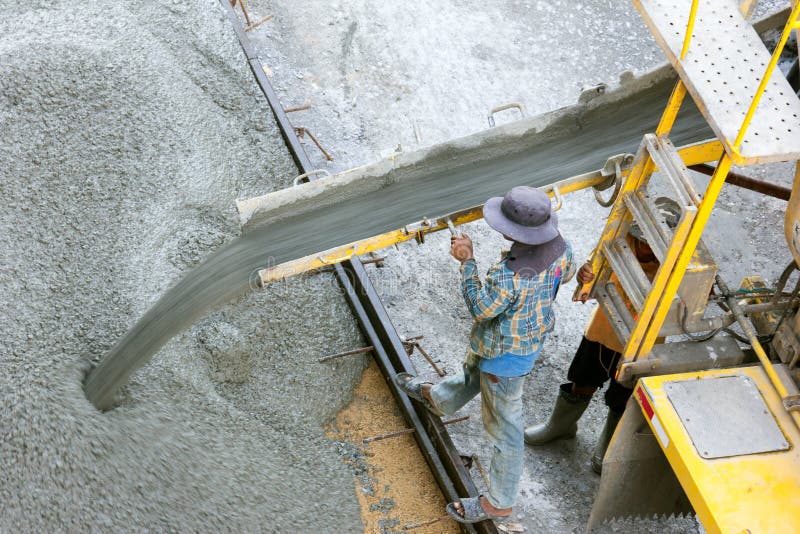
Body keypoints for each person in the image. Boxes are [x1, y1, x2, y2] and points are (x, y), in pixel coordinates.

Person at [394, 186, 575, 524]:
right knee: (473, 371)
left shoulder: (508, 275)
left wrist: (467, 262)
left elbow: (481, 309)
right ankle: (439, 399)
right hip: (520, 342)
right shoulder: (561, 247)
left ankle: (499, 503)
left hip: (505, 361)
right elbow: (567, 273)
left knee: (505, 431)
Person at [523, 197, 680, 474]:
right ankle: (561, 426)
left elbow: (692, 299)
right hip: (604, 329)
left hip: (644, 342)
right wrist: (586, 275)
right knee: (582, 379)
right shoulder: (619, 241)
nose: (645, 247)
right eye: (641, 240)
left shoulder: (677, 261)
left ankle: (608, 446)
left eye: (651, 243)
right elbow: (592, 270)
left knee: (624, 396)